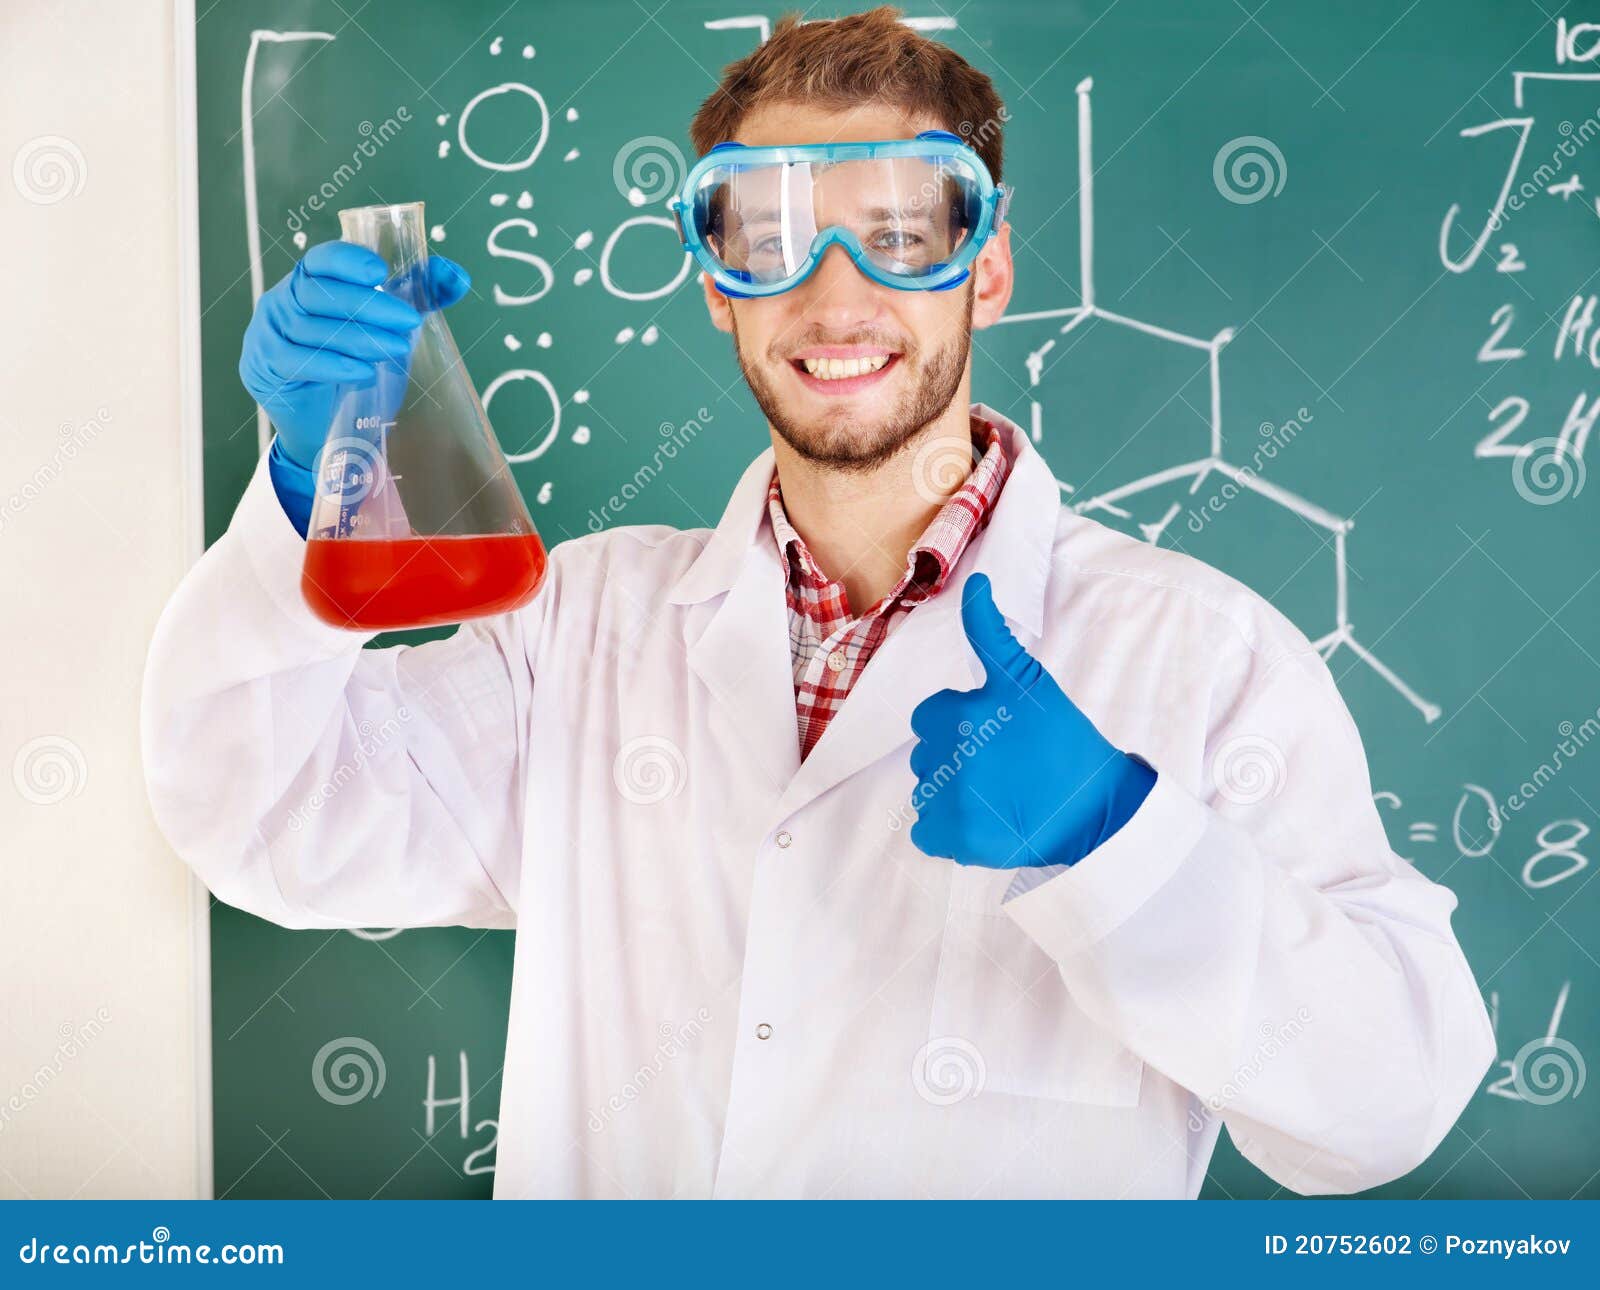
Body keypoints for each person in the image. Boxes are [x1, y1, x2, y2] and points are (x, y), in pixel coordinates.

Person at [142, 7, 1493, 1199]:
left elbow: (1386, 1107)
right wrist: (319, 479)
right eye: (771, 237)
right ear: (718, 285)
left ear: (990, 265)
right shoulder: (584, 630)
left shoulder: (1198, 656)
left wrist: (1121, 842)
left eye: (903, 234)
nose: (835, 291)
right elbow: (262, 811)